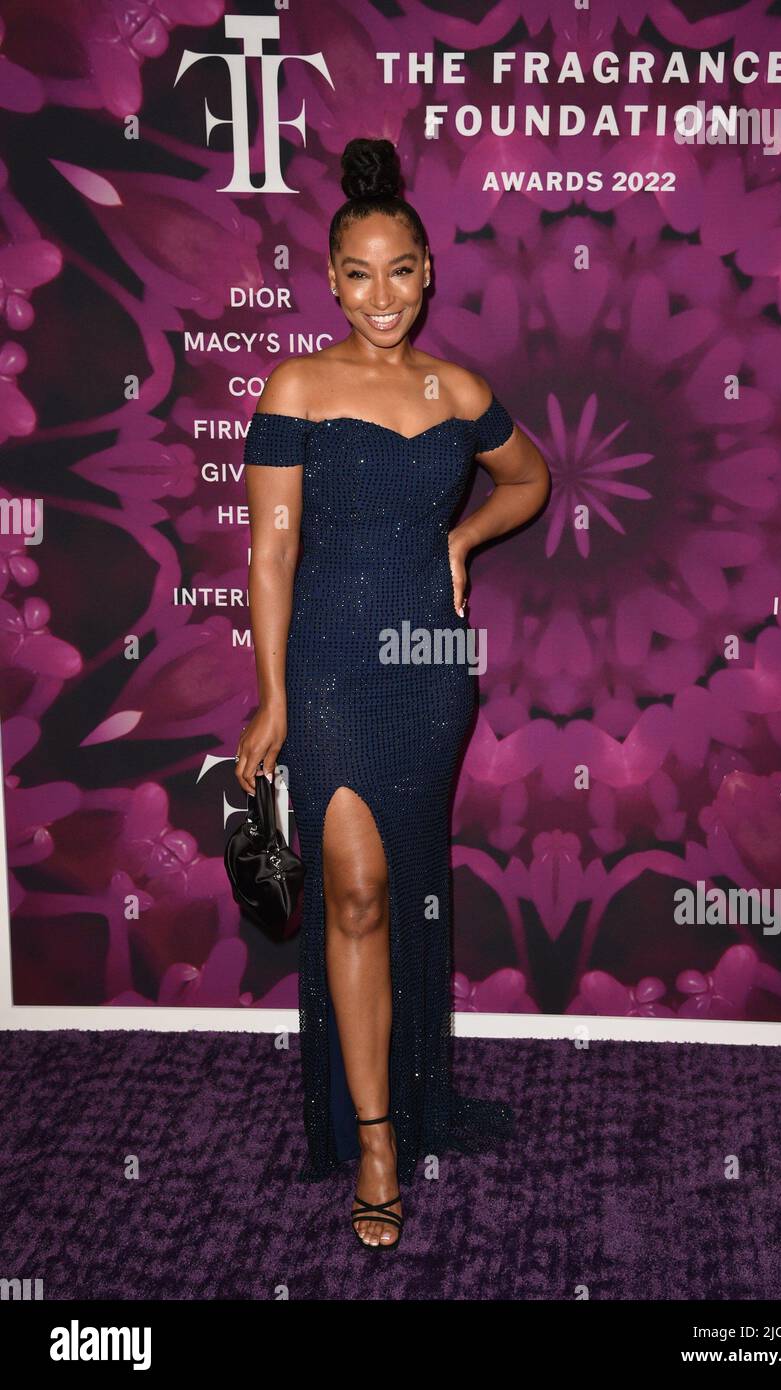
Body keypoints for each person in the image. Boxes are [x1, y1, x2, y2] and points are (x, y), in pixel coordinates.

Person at [237, 136, 550, 1249]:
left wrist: (464, 534)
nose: (382, 293)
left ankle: (409, 1093)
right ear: (329, 279)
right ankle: (376, 1137)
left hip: (428, 673)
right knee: (357, 894)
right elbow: (270, 556)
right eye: (358, 273)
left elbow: (531, 477)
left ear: (427, 270)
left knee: (406, 883)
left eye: (401, 269)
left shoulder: (457, 388)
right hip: (324, 667)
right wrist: (271, 698)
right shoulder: (296, 386)